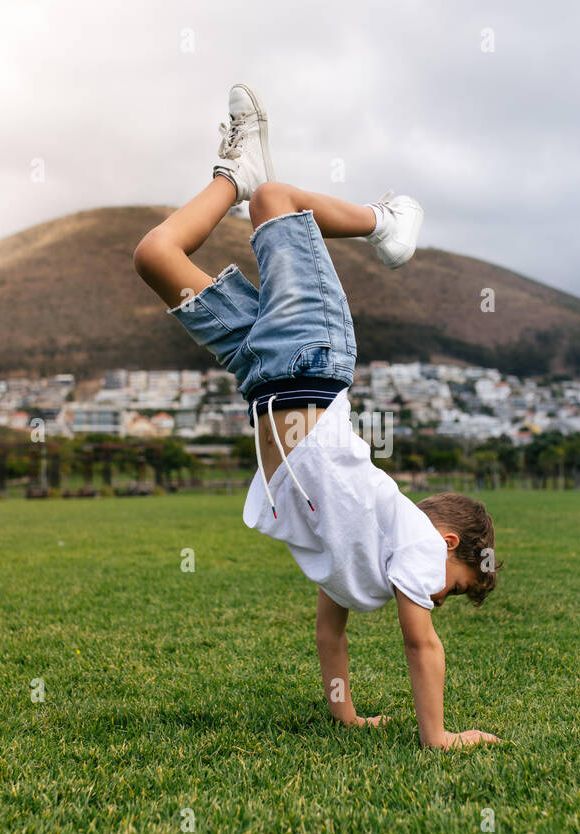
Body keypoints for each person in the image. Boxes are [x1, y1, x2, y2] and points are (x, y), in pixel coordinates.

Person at [133, 84, 501, 749]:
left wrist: (346, 714)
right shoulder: (417, 542)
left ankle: (232, 174)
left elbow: (329, 636)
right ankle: (386, 219)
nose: (432, 599)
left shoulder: (356, 564)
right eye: (451, 590)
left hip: (259, 371)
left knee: (154, 256)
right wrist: (438, 735)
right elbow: (422, 648)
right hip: (310, 358)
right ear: (448, 546)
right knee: (277, 204)